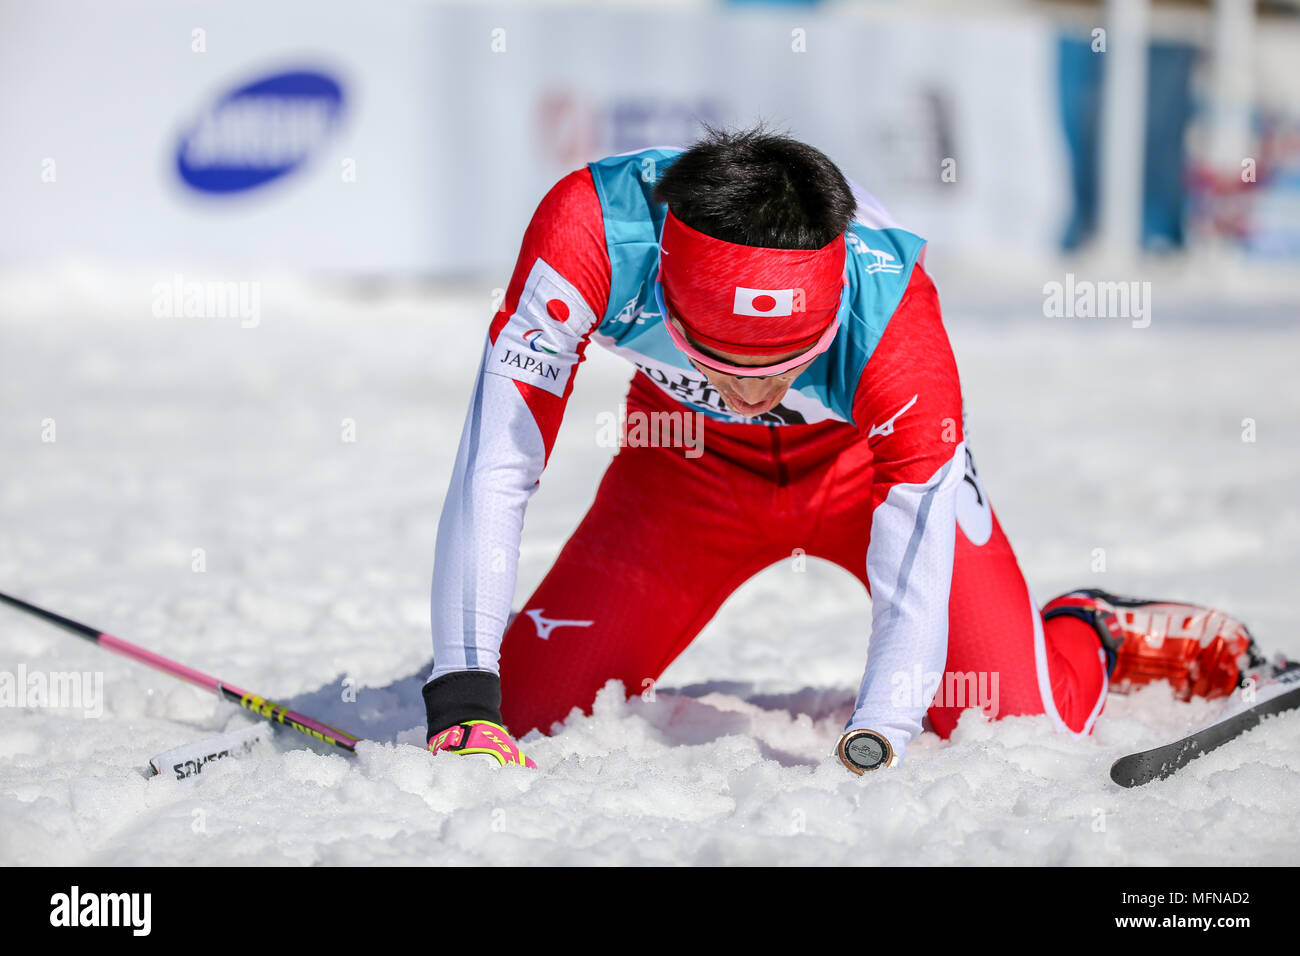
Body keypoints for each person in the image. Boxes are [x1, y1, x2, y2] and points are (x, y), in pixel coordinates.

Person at [421, 124, 1273, 774]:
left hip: (861, 474)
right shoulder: (590, 230)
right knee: (522, 709)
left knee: (1019, 724)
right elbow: (500, 458)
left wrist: (883, 731)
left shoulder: (895, 315)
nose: (754, 393)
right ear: (669, 295)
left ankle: (1093, 632)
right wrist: (463, 686)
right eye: (718, 360)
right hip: (684, 470)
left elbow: (914, 529)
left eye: (787, 366)